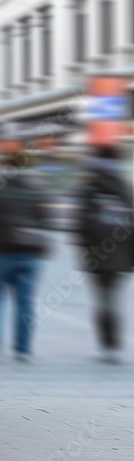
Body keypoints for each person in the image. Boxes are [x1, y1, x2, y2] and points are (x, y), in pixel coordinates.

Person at [0, 145, 51, 362]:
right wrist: (42, 247)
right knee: (25, 301)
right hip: (29, 253)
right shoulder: (36, 189)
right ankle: (22, 349)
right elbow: (46, 221)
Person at [76, 145, 133, 364]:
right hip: (121, 257)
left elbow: (80, 223)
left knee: (102, 299)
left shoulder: (90, 187)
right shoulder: (123, 187)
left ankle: (106, 346)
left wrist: (84, 250)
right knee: (112, 299)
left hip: (96, 255)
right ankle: (112, 345)